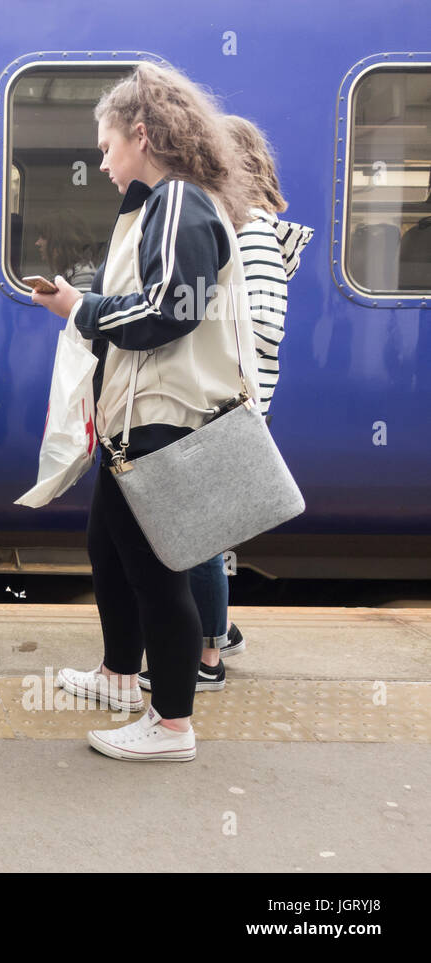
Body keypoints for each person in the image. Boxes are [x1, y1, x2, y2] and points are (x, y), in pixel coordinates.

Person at [31, 62, 256, 762]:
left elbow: (168, 311)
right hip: (142, 412)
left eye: (105, 147)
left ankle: (171, 725)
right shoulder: (164, 204)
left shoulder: (178, 203)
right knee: (108, 544)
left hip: (165, 415)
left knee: (157, 569)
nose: (100, 162)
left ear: (140, 133)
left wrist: (81, 309)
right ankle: (121, 676)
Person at [138, 114, 313, 694]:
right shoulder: (245, 228)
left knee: (201, 536)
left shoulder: (254, 233)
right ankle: (219, 629)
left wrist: (201, 361)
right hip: (228, 399)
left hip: (226, 405)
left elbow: (256, 328)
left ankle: (206, 656)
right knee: (202, 532)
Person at [34, 213, 99, 292]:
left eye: (44, 237)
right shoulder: (65, 272)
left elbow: (80, 303)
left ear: (60, 242)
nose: (37, 243)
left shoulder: (82, 275)